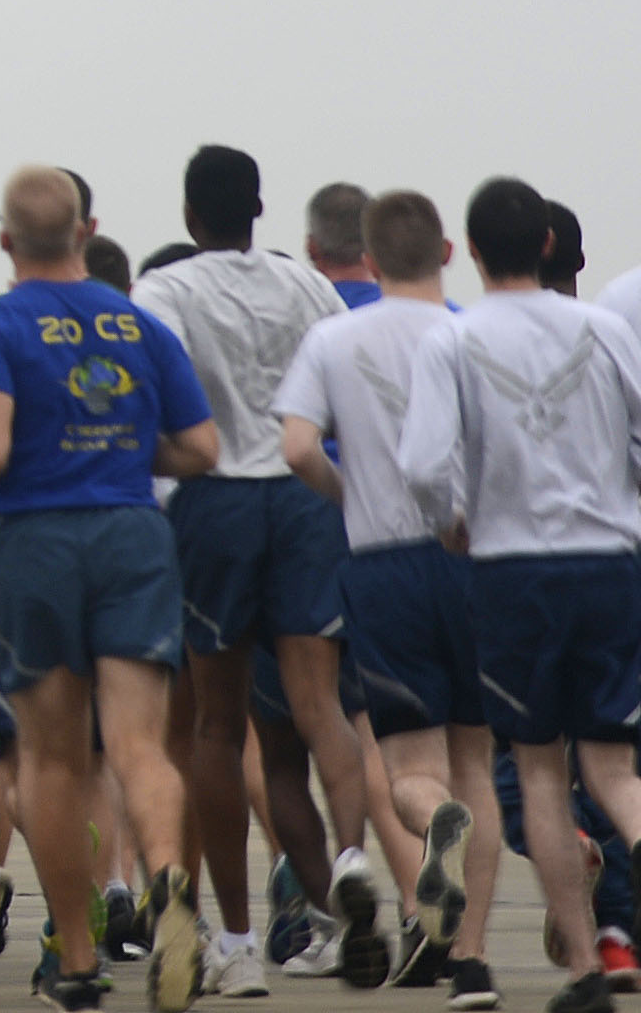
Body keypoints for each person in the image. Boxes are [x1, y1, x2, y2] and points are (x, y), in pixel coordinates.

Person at [0, 165, 216, 1013]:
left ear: (5, 241)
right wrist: (123, 454)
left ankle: (74, 956)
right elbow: (201, 448)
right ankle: (170, 880)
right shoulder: (137, 323)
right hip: (133, 533)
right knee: (140, 745)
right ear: (85, 229)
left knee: (51, 757)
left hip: (39, 537)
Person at [393, 178, 641, 1013]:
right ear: (546, 244)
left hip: (512, 569)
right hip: (610, 560)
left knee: (539, 772)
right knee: (615, 767)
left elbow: (424, 466)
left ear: (464, 252)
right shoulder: (605, 328)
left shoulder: (453, 342)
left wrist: (450, 524)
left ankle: (581, 969)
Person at [133, 145, 365, 997]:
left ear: (191, 218)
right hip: (302, 500)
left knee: (215, 729)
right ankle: (349, 859)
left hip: (214, 499)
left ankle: (232, 943)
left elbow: (147, 395)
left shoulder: (164, 291)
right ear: (259, 209)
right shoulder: (308, 285)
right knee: (318, 705)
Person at [272, 187, 498, 1002]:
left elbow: (297, 446)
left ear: (367, 261)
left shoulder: (334, 335)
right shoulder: (475, 332)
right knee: (478, 756)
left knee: (405, 760)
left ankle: (430, 816)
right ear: (445, 253)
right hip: (473, 557)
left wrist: (347, 493)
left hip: (381, 560)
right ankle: (471, 961)